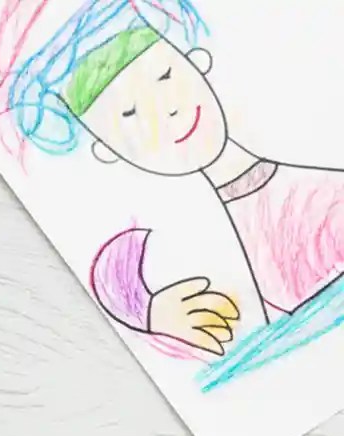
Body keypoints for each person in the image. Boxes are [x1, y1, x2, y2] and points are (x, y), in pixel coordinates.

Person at [69, 26, 344, 356]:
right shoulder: (182, 240)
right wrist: (150, 312)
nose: (167, 110)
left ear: (196, 63)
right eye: (131, 113)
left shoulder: (321, 198)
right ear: (106, 149)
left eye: (165, 76)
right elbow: (111, 272)